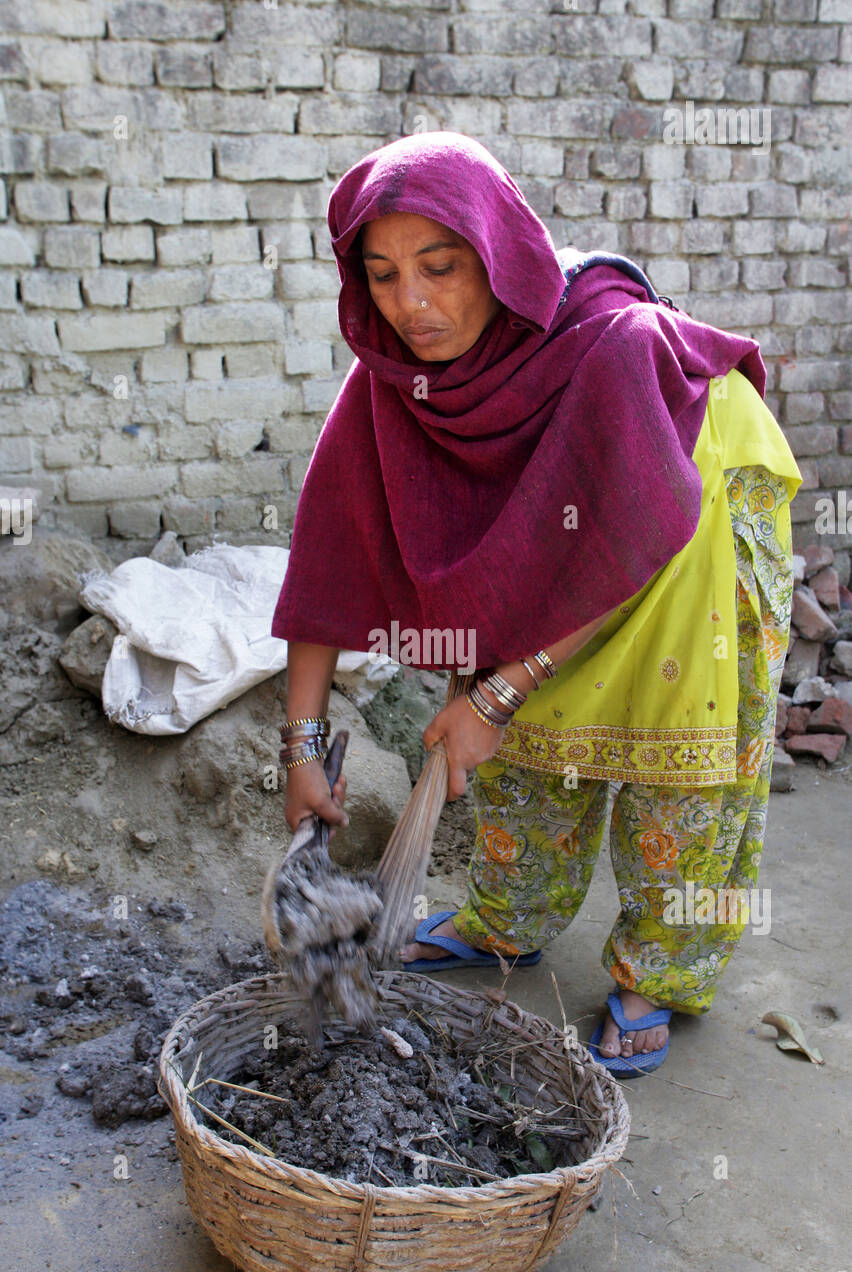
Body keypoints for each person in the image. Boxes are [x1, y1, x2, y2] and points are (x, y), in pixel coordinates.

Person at [271, 131, 801, 1077]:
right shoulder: (395, 381)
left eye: (440, 268)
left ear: (499, 258)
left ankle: (659, 968)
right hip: (571, 535)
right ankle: (508, 920)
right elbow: (327, 562)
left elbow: (631, 542)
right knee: (509, 742)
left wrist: (495, 695)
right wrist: (303, 749)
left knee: (679, 755)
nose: (412, 305)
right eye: (383, 277)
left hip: (688, 498)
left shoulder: (610, 346)